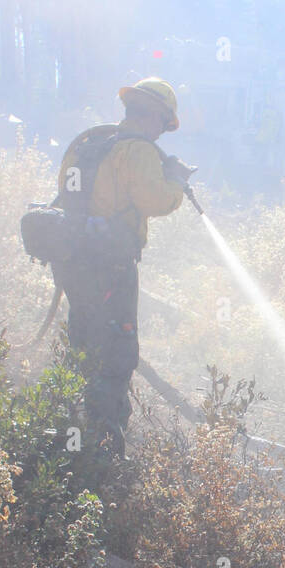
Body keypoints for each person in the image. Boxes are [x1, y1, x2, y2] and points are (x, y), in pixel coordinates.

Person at [55, 77, 194, 456]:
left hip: (71, 265)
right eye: (164, 126)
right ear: (154, 117)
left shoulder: (88, 145)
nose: (161, 134)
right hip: (111, 268)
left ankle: (67, 432)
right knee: (116, 351)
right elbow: (156, 200)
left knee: (82, 338)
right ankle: (105, 449)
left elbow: (66, 195)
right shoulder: (139, 151)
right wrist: (177, 182)